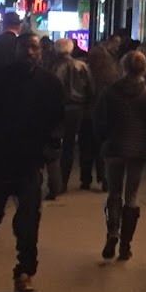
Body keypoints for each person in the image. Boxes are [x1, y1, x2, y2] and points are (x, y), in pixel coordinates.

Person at [0, 33, 65, 292]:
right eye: (25, 47)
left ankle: (24, 273)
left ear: (40, 52)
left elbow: (58, 121)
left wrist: (48, 151)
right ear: (16, 49)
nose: (30, 53)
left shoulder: (50, 83)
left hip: (29, 162)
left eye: (34, 48)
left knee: (28, 221)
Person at [94, 49, 146, 260]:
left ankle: (112, 232)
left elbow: (99, 120)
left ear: (122, 67)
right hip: (138, 148)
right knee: (131, 195)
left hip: (114, 146)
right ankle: (126, 244)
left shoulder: (109, 92)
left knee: (114, 192)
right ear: (144, 69)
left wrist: (105, 139)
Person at [48, 38, 96, 196]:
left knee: (65, 146)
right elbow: (91, 88)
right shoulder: (81, 66)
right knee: (85, 143)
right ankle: (86, 179)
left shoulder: (53, 67)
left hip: (60, 108)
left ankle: (62, 182)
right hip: (80, 107)